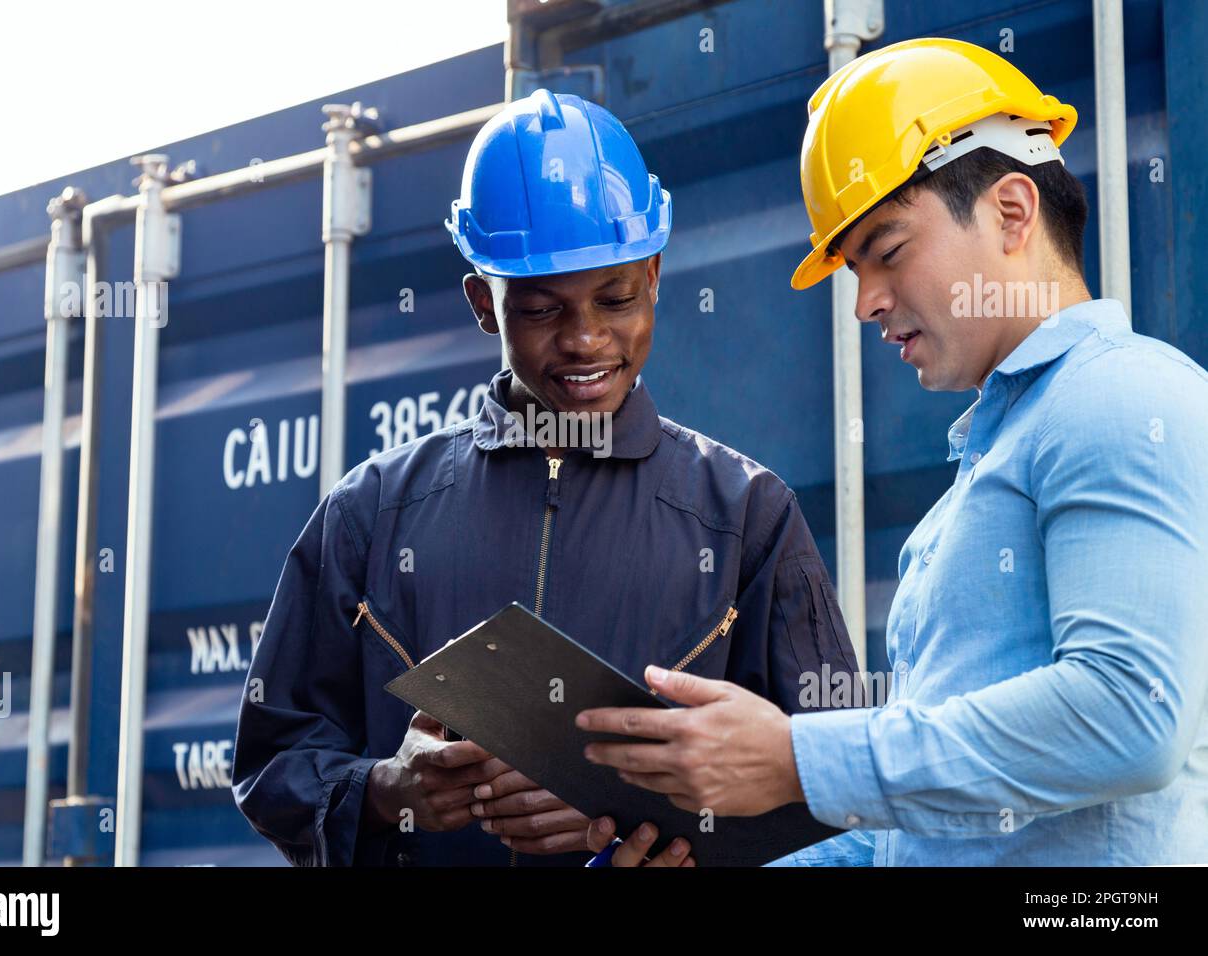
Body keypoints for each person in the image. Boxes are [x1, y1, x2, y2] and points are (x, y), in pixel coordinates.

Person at [577, 37, 1208, 866]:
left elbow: (1129, 716)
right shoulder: (979, 480)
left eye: (888, 250)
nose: (866, 303)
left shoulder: (1122, 396)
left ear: (1012, 211)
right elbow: (919, 833)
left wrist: (795, 759)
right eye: (853, 269)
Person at [231, 88, 862, 866]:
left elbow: (840, 790)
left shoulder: (747, 520)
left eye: (617, 297)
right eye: (540, 310)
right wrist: (388, 791)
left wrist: (675, 834)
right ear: (483, 305)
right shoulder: (370, 514)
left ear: (657, 277)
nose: (587, 339)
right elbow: (271, 761)